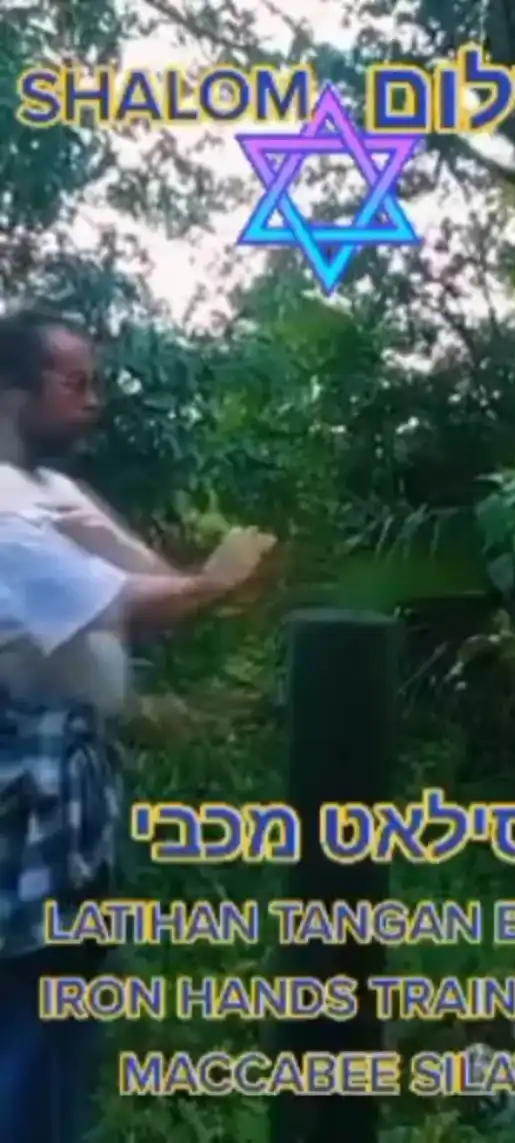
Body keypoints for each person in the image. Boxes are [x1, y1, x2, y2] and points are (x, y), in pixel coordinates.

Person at [0, 307, 277, 1141]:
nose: (95, 399)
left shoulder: (53, 492)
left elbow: (156, 579)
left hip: (75, 782)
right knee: (30, 1007)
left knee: (69, 1004)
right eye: (75, 382)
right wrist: (216, 582)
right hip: (25, 785)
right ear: (13, 391)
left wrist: (106, 536)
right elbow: (143, 605)